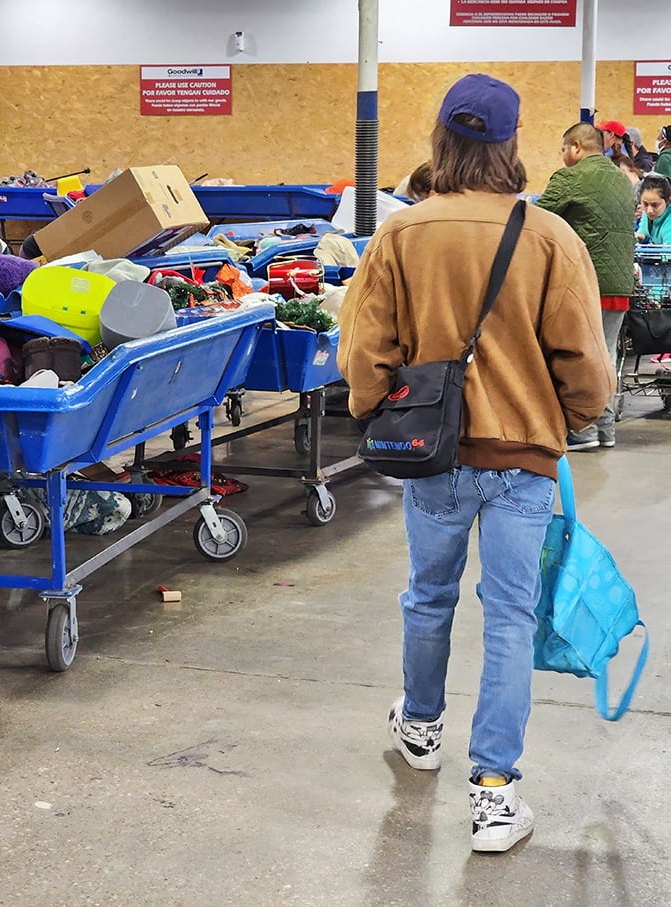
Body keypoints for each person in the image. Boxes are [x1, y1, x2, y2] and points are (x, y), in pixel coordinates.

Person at [338, 73, 613, 854]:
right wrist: (564, 421)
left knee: (429, 595)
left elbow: (365, 348)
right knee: (510, 616)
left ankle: (420, 728)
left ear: (442, 141)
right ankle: (495, 794)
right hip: (524, 459)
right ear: (511, 144)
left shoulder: (401, 232)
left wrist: (371, 410)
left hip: (434, 455)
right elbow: (585, 364)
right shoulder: (548, 234)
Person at [535, 122, 636, 450]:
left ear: (576, 147)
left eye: (563, 149)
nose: (562, 156)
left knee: (579, 356)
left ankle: (583, 429)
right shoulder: (621, 178)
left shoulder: (570, 177)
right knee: (605, 354)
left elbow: (535, 221)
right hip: (620, 282)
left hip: (587, 280)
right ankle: (605, 429)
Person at [636, 173, 671, 245]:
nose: (649, 211)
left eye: (655, 205)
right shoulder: (648, 213)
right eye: (645, 204)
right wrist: (639, 236)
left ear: (668, 200)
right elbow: (643, 232)